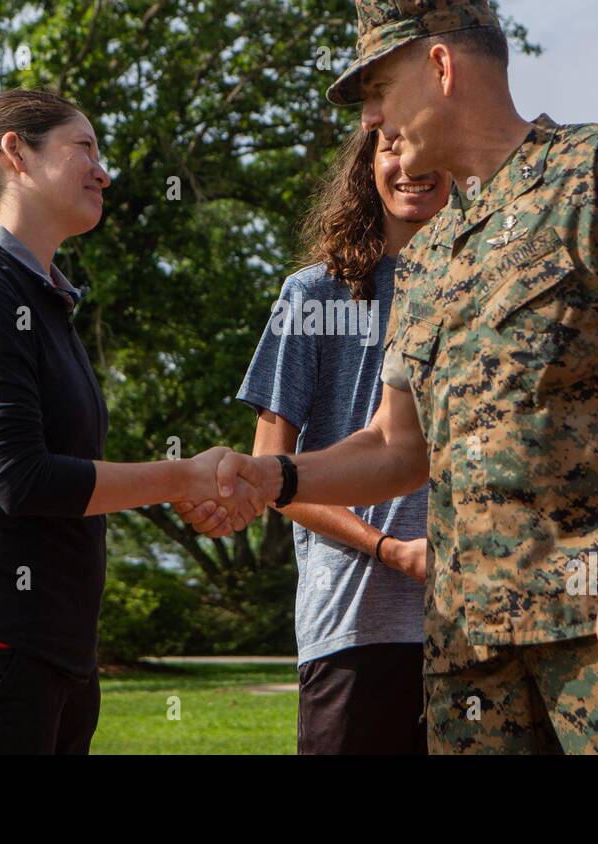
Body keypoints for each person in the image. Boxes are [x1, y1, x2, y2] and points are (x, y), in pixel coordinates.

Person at [181, 0, 598, 754]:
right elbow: (396, 447)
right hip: (472, 659)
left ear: (442, 65)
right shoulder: (425, 260)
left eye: (380, 90)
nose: (372, 119)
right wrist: (278, 478)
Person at [0, 88, 263, 754]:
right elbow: (21, 481)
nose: (103, 170)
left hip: (37, 663)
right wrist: (181, 477)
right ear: (15, 153)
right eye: (84, 147)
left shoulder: (33, 296)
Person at [236, 127, 447, 753]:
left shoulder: (486, 292)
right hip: (355, 626)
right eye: (391, 146)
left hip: (475, 623)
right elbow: (269, 473)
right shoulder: (310, 295)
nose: (410, 163)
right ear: (367, 165)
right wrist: (390, 549)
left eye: (427, 144)